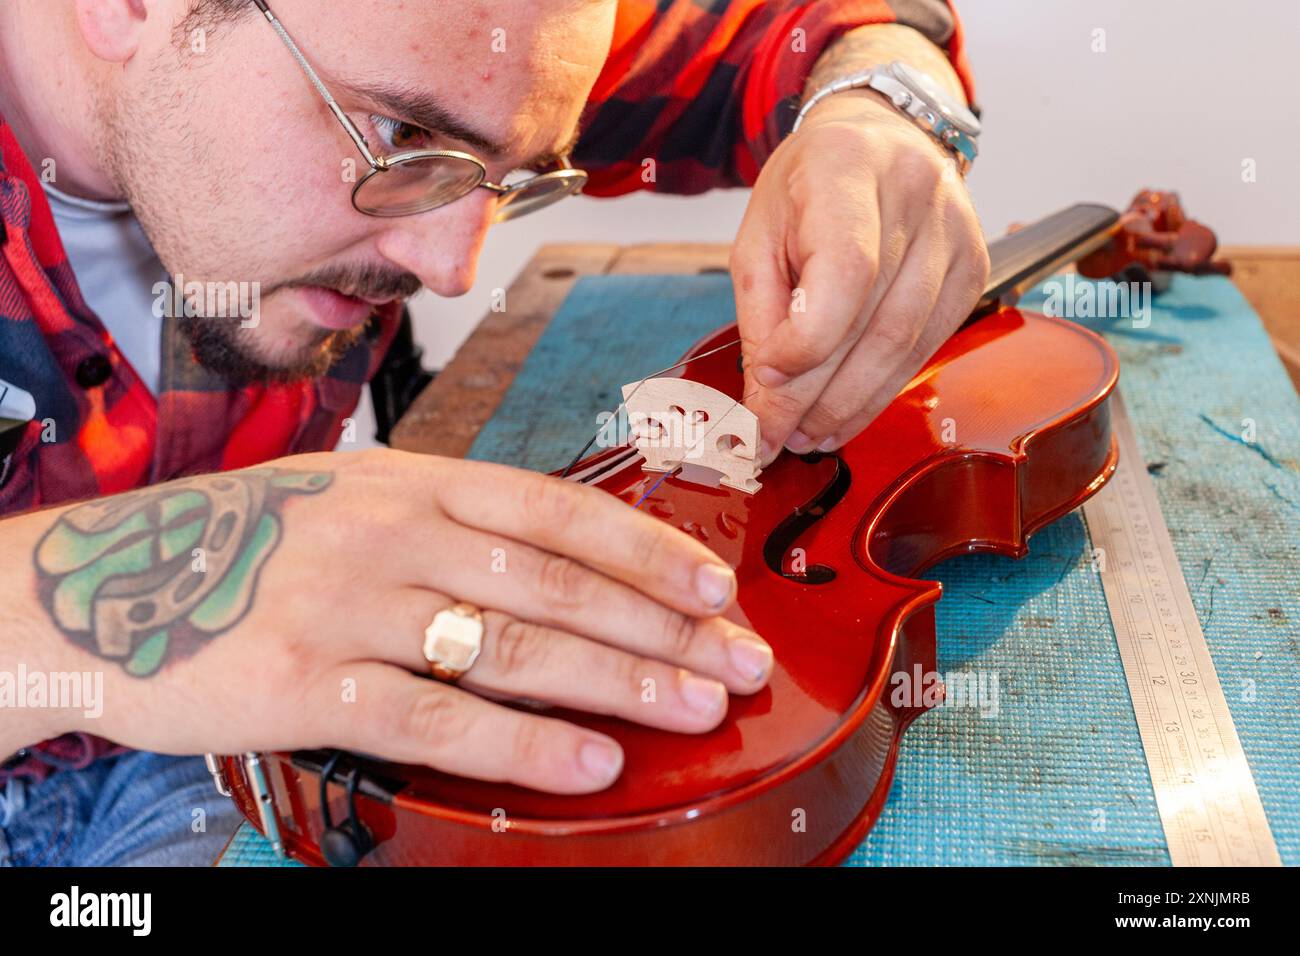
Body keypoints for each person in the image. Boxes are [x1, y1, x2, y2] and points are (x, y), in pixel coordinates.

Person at [0, 0, 987, 865]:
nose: (448, 269)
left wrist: (878, 117)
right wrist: (87, 610)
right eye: (398, 138)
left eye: (514, 180)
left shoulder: (467, 43)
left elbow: (808, 28)